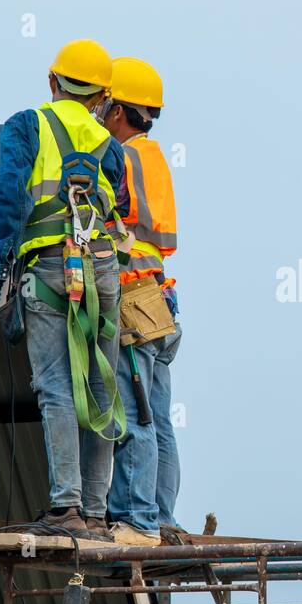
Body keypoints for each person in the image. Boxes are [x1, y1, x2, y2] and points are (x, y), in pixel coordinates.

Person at [0, 39, 136, 542]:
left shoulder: (29, 125)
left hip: (49, 270)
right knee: (100, 386)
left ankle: (65, 508)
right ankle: (93, 515)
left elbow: (12, 197)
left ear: (53, 82)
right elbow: (120, 203)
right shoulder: (111, 144)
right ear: (102, 99)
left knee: (55, 386)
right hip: (104, 270)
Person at [100, 57, 183, 545]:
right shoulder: (153, 157)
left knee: (136, 415)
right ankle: (162, 517)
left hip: (132, 295)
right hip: (159, 299)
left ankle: (137, 519)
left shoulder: (121, 156)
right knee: (160, 417)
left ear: (116, 108)